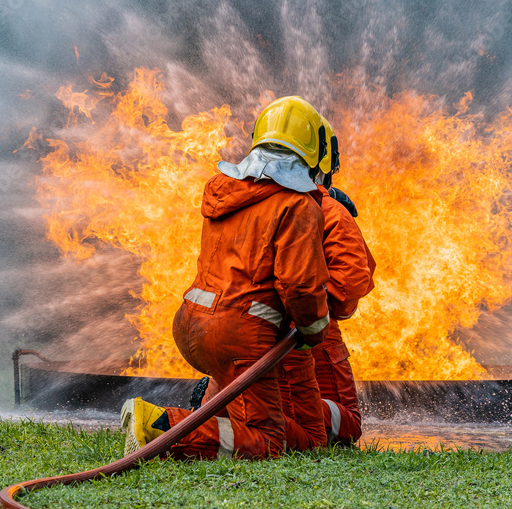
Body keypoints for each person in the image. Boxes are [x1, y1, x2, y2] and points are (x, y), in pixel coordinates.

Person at [120, 95, 331, 459]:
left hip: (191, 325)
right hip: (238, 339)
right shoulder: (298, 205)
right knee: (266, 439)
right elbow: (299, 286)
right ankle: (161, 426)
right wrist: (315, 330)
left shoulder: (224, 191)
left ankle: (193, 419)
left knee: (238, 413)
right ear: (314, 151)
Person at [279, 115, 375, 448]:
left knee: (266, 392)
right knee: (347, 423)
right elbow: (349, 289)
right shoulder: (328, 210)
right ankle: (246, 408)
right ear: (322, 160)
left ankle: (232, 402)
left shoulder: (244, 205)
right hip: (305, 332)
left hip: (243, 329)